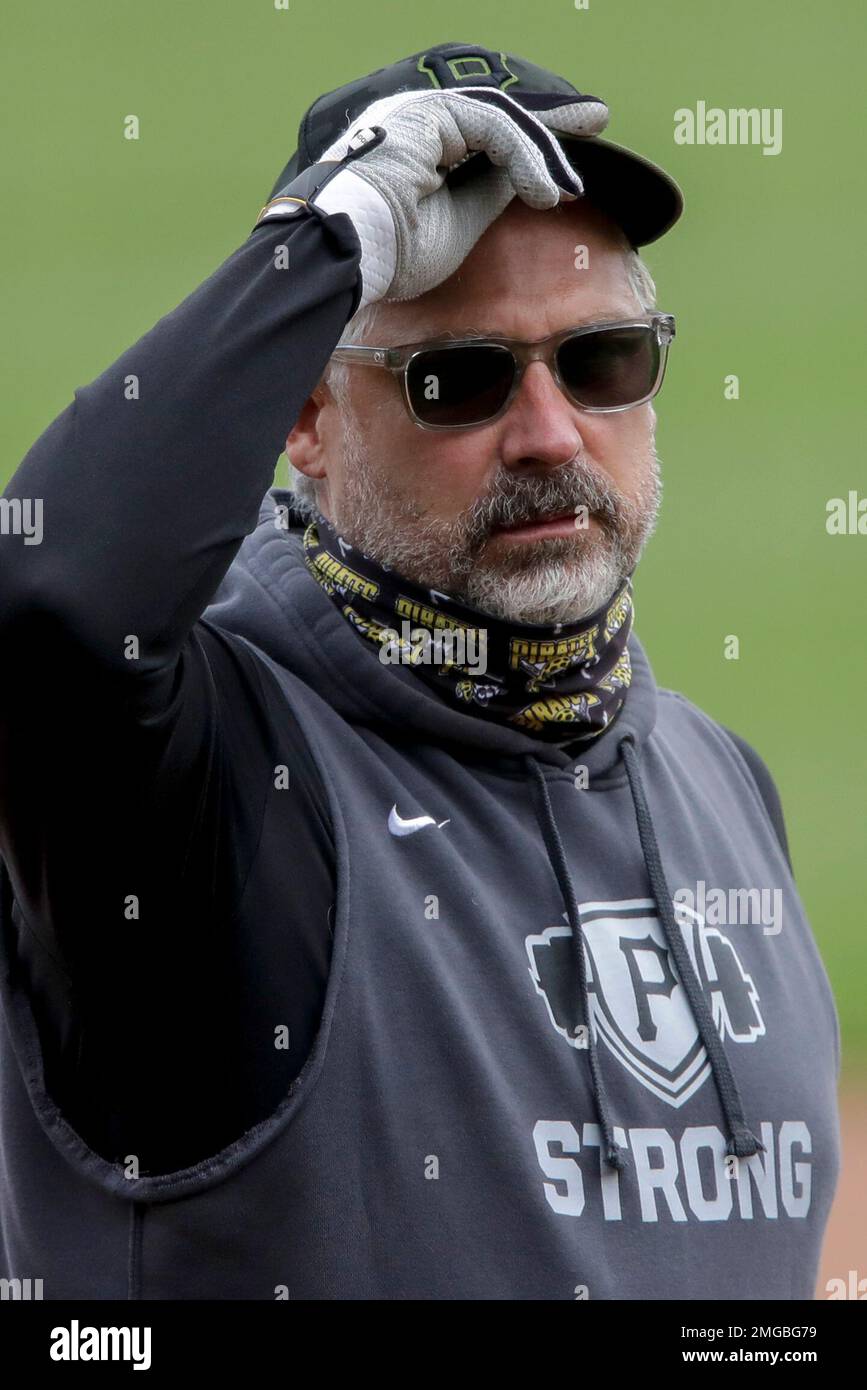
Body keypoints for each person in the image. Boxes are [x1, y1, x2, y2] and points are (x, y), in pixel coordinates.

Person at [0, 41, 840, 1300]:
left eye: (604, 360)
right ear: (305, 420)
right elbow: (56, 604)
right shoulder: (212, 789)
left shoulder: (719, 783)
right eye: (462, 381)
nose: (551, 433)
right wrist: (319, 248)